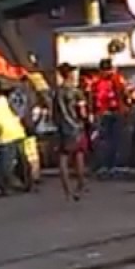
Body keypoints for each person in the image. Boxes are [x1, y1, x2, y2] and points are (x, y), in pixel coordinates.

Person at [51, 63, 89, 201]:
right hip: (76, 127)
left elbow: (54, 113)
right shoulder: (76, 91)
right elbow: (82, 112)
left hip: (62, 128)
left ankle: (67, 191)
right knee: (79, 155)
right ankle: (81, 184)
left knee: (63, 158)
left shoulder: (57, 92)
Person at [0, 90, 30, 194]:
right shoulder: (4, 103)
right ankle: (27, 184)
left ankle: (8, 188)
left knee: (6, 165)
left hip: (6, 137)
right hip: (19, 133)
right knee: (22, 161)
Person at [89, 58, 128, 177]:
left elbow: (124, 94)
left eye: (109, 69)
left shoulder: (117, 79)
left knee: (115, 140)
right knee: (104, 140)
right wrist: (92, 112)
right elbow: (92, 98)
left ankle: (113, 165)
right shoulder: (96, 82)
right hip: (103, 113)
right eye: (105, 70)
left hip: (116, 112)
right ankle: (103, 165)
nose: (107, 72)